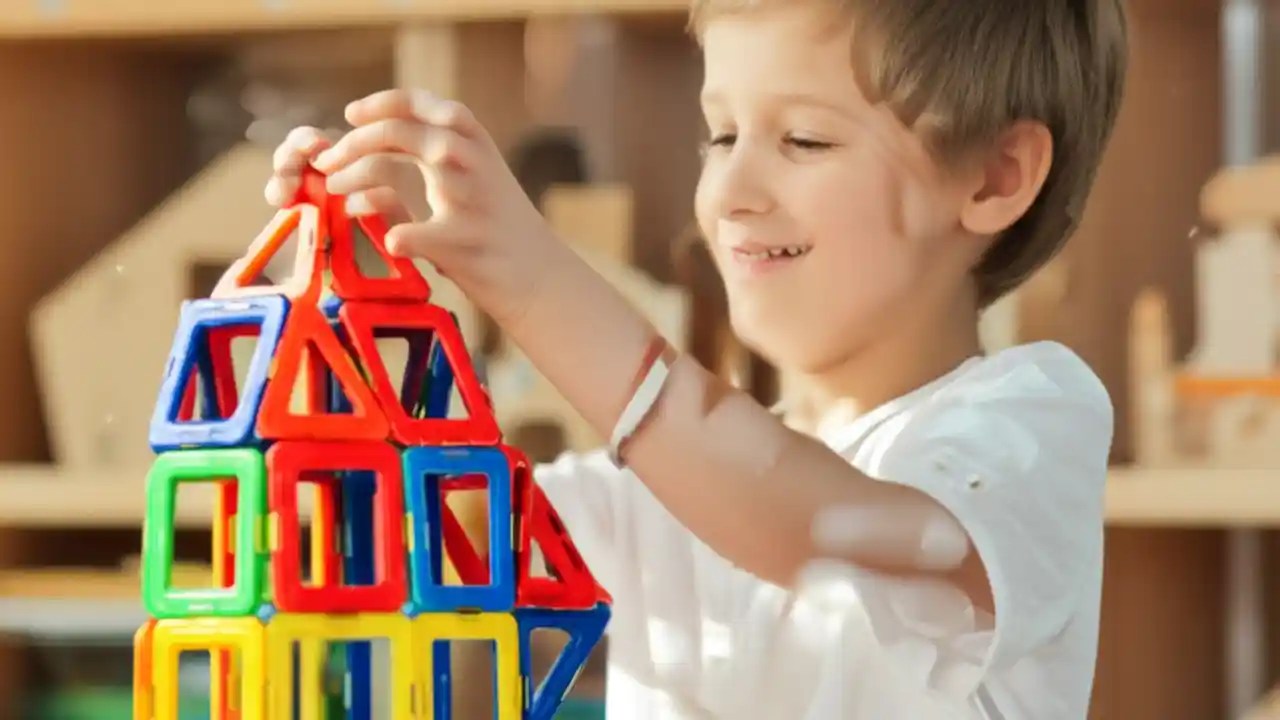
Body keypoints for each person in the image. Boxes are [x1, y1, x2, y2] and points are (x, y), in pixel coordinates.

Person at [263, 0, 1127, 716]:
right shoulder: (656, 490)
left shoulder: (1030, 425)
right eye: (720, 137)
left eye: (804, 141)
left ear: (994, 175)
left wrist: (536, 285)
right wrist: (358, 320)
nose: (732, 195)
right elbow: (445, 537)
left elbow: (813, 526)